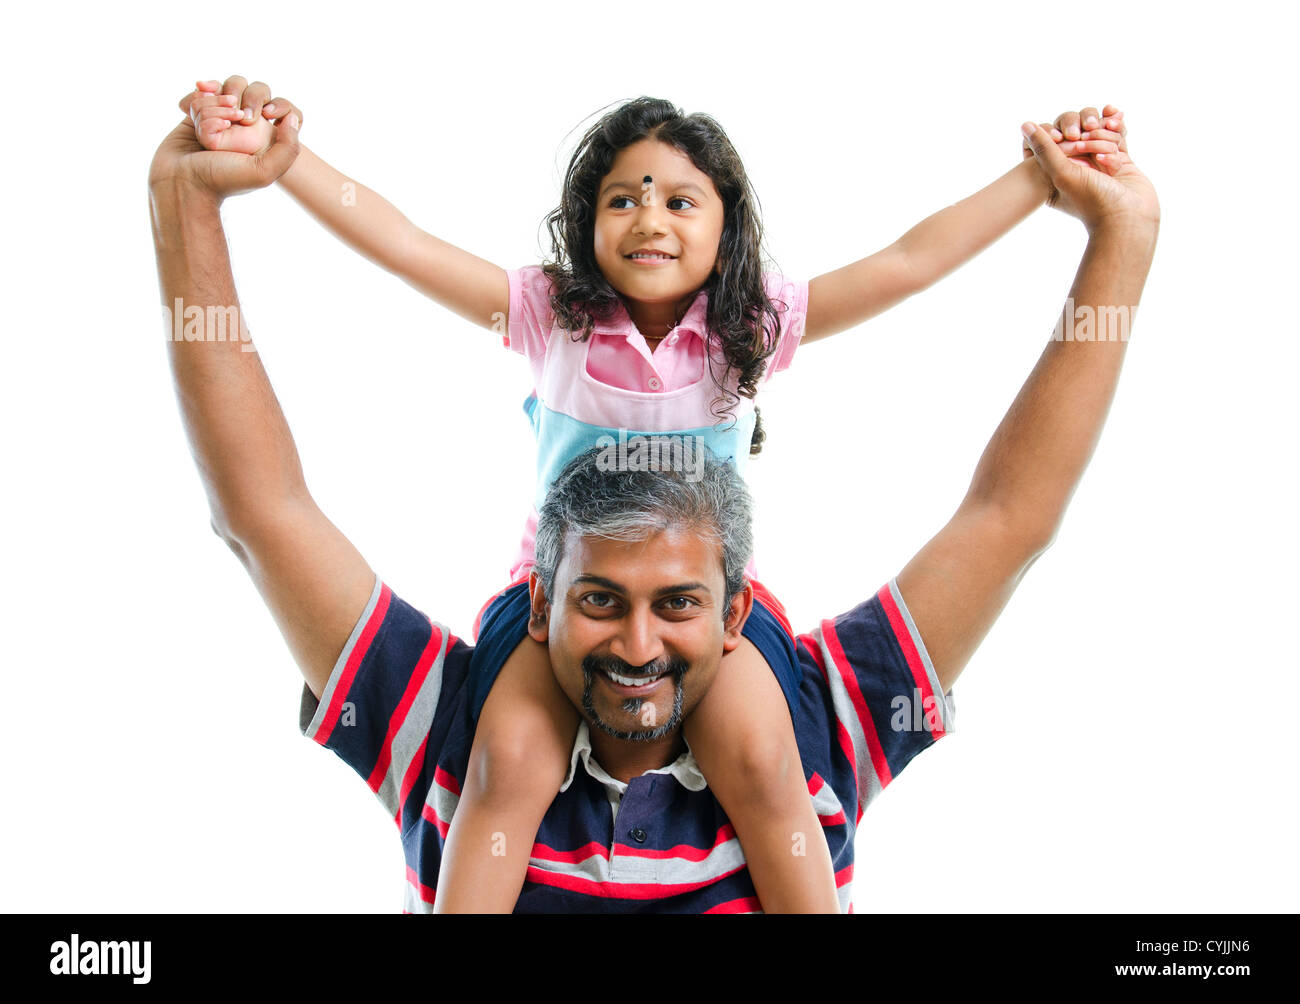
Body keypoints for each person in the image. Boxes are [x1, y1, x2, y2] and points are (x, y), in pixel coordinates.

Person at [149, 89, 1158, 912]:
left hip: (697, 618)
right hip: (538, 618)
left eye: (682, 200)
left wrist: (1040, 187)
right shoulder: (553, 317)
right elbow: (391, 264)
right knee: (508, 760)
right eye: (624, 198)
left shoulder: (749, 326)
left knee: (764, 759)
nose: (651, 219)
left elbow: (915, 273)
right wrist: (277, 171)